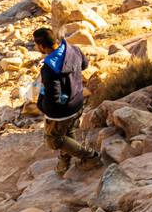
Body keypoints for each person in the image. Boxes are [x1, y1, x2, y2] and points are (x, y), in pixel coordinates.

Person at [33, 27, 102, 177]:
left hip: (62, 111)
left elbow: (54, 96)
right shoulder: (73, 50)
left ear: (42, 46)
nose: (36, 47)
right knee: (68, 131)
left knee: (54, 139)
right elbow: (84, 65)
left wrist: (42, 106)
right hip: (78, 101)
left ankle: (91, 157)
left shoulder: (49, 68)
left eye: (36, 45)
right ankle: (65, 159)